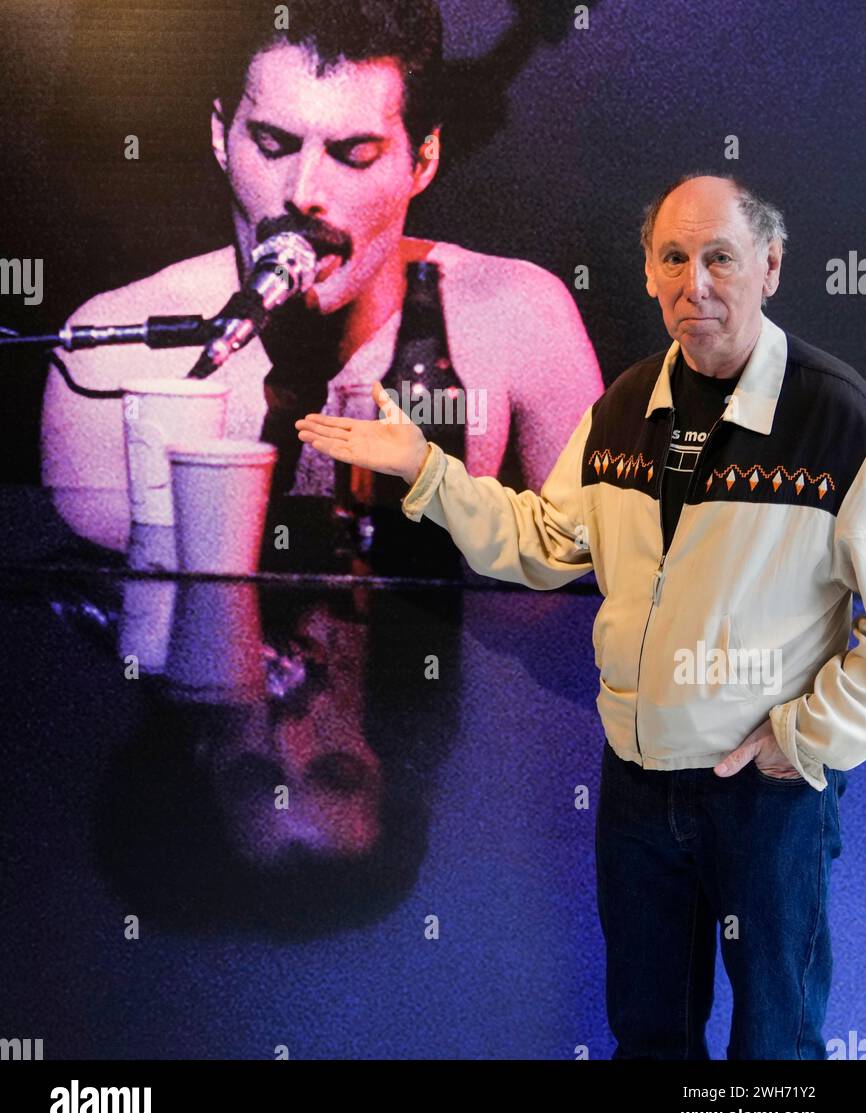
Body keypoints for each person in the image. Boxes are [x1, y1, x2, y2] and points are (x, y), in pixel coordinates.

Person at [296, 173, 866, 1059]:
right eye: (673, 258)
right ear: (646, 273)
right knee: (647, 1037)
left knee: (777, 1046)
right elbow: (542, 541)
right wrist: (425, 471)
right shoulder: (623, 408)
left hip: (769, 798)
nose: (696, 282)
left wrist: (809, 735)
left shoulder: (836, 416)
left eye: (720, 257)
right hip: (639, 790)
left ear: (772, 266)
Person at [41, 0, 603, 549]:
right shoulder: (108, 346)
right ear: (219, 136)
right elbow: (104, 618)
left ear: (424, 159)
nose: (303, 192)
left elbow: (597, 590)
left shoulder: (522, 317)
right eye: (272, 143)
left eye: (353, 153)